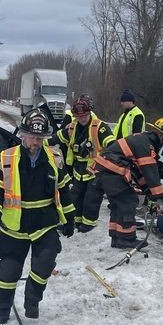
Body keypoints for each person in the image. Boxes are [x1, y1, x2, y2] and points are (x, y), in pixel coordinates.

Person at [0, 109, 75, 324]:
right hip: (14, 225)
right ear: (22, 135)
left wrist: (70, 216)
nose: (35, 142)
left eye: (40, 138)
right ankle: (2, 308)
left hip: (44, 223)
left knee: (44, 263)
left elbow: (63, 188)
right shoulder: (7, 158)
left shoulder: (54, 158)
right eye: (32, 137)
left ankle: (32, 300)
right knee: (9, 271)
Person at [79, 125, 163, 248]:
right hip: (112, 171)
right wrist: (159, 197)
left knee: (118, 204)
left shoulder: (141, 139)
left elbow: (138, 172)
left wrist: (148, 191)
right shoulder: (146, 145)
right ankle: (126, 239)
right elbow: (150, 172)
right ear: (160, 135)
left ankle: (117, 238)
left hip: (106, 170)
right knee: (128, 201)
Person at [50, 95, 115, 232]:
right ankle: (75, 220)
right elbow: (57, 138)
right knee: (75, 196)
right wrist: (39, 142)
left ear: (89, 112)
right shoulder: (72, 128)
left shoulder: (100, 127)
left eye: (84, 115)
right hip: (79, 169)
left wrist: (105, 163)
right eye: (78, 116)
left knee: (91, 198)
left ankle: (89, 224)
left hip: (96, 170)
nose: (82, 118)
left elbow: (111, 146)